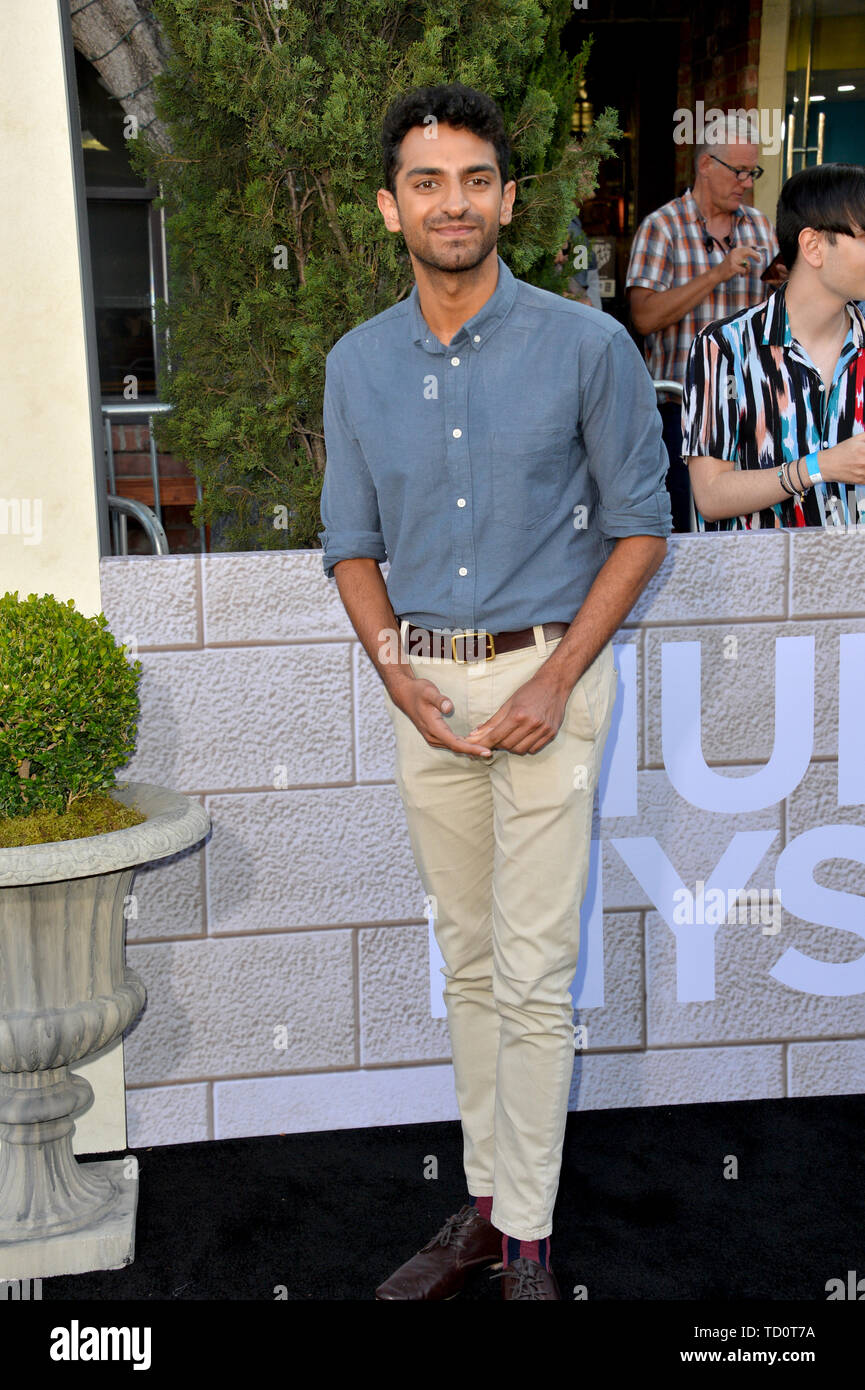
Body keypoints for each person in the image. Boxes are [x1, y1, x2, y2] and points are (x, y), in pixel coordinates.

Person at [318, 82, 671, 1301]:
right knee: (467, 962)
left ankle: (527, 1240)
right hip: (422, 684)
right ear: (391, 207)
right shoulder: (358, 365)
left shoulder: (586, 346)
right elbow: (350, 546)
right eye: (426, 182)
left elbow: (640, 528)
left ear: (509, 199)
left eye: (475, 179)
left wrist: (558, 676)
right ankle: (481, 1208)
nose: (452, 202)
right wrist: (395, 674)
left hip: (547, 677)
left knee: (531, 971)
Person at [682, 162, 865, 529]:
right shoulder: (724, 347)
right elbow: (711, 496)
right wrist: (820, 466)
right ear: (813, 246)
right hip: (761, 564)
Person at [626, 119, 782, 530]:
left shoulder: (760, 227)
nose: (747, 183)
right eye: (739, 171)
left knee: (750, 527)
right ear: (706, 165)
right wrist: (718, 273)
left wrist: (786, 287)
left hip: (752, 408)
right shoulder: (662, 227)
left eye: (753, 172)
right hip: (682, 411)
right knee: (686, 527)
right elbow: (644, 317)